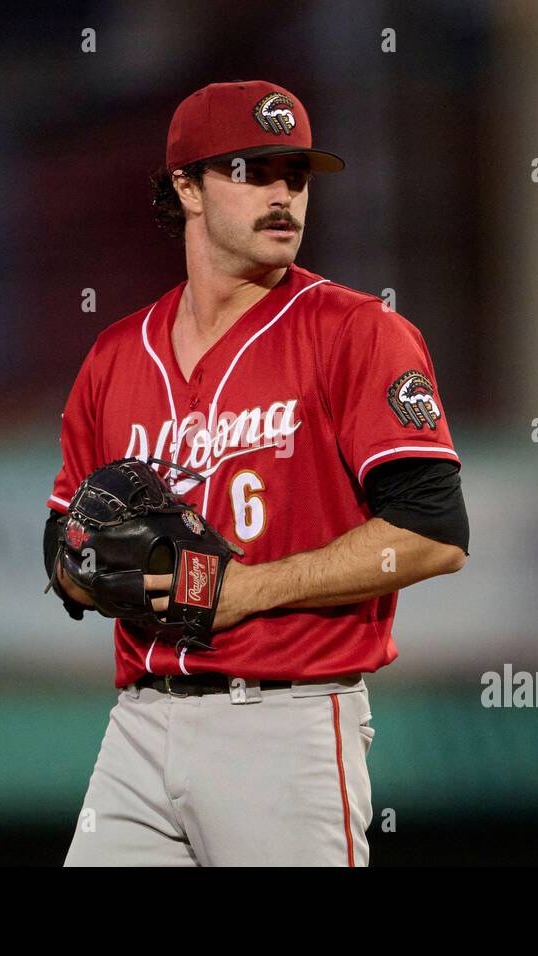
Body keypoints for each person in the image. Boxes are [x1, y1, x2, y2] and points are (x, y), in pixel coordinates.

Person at [43, 80, 470, 866]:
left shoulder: (358, 332)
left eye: (296, 175)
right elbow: (65, 545)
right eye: (253, 170)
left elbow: (434, 534)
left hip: (284, 726)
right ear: (187, 187)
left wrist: (247, 589)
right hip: (139, 725)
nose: (283, 195)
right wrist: (98, 572)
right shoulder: (115, 355)